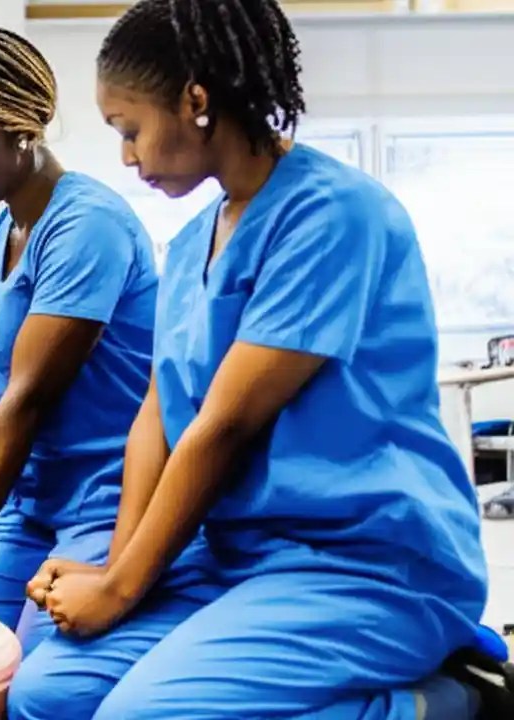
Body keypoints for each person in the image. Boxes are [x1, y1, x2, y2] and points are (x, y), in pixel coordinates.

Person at [34, 0, 492, 717]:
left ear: (194, 101)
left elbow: (224, 427)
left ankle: (443, 703)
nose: (127, 157)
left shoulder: (335, 214)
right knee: (50, 694)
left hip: (363, 561)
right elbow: (157, 418)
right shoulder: (189, 248)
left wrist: (120, 592)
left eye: (131, 131)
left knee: (141, 716)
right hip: (237, 556)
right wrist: (114, 572)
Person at [0, 25, 216, 718]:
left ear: (20, 131)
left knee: (40, 690)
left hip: (106, 496)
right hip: (30, 505)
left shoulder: (87, 224)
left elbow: (28, 400)